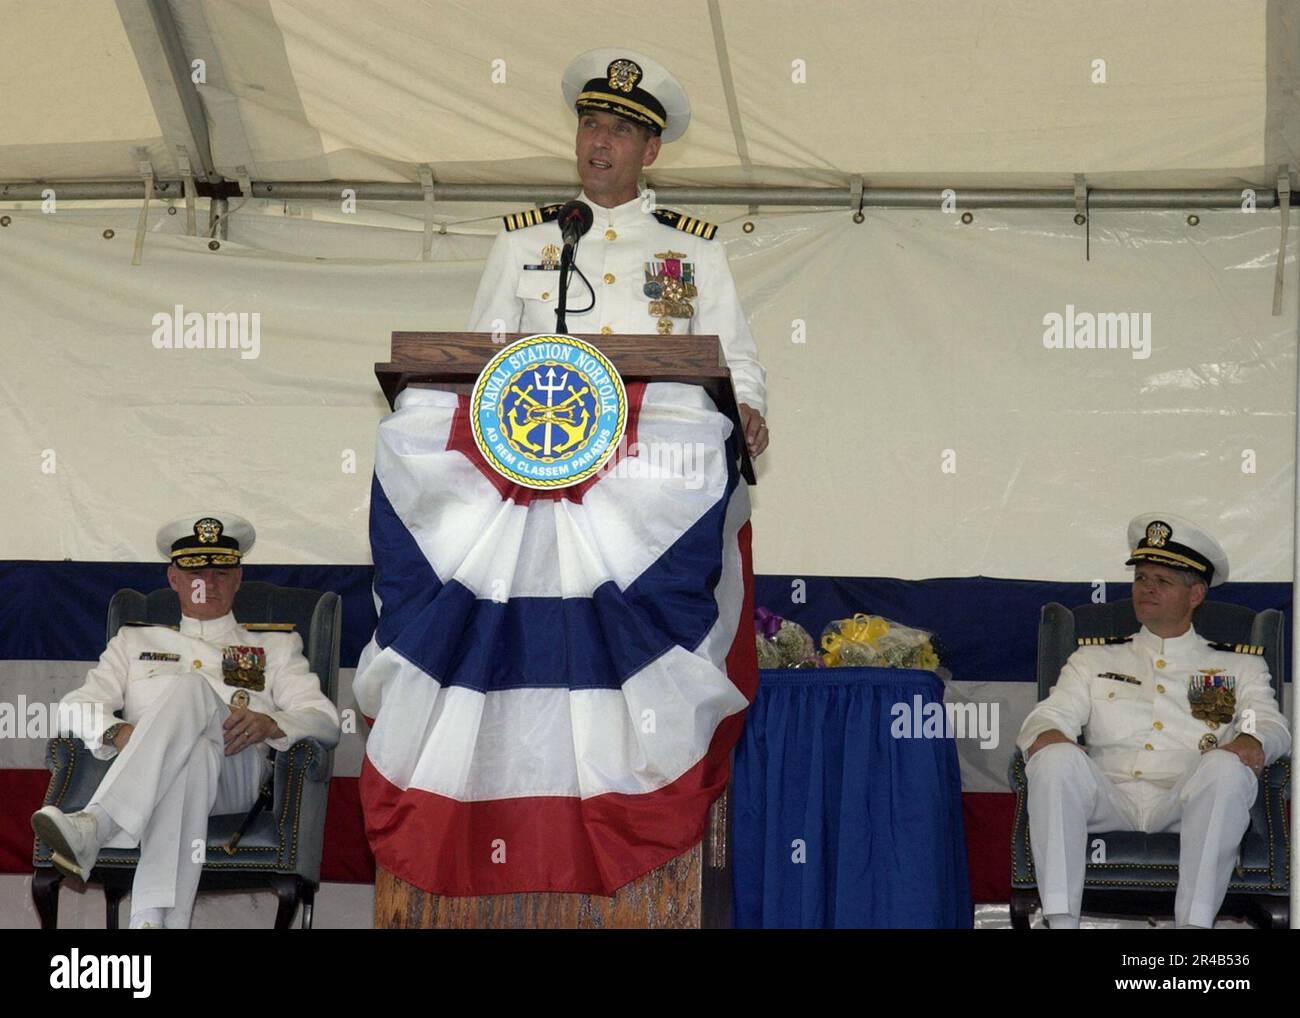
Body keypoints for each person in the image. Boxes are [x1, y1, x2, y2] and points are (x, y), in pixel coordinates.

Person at [31, 512, 340, 929]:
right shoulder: (134, 640)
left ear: (238, 577)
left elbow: (325, 720)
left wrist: (273, 724)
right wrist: (116, 731)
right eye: (196, 571)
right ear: (174, 578)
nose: (208, 582)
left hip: (237, 776)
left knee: (191, 688)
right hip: (170, 778)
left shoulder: (275, 645)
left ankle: (98, 823)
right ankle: (153, 922)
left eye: (220, 571)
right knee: (192, 756)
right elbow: (74, 705)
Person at [468, 47, 769, 458]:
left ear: (650, 151)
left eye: (621, 129)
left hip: (659, 454)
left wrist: (748, 405)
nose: (600, 141)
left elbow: (735, 357)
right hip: (546, 449)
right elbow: (483, 356)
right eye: (590, 124)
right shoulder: (521, 241)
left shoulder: (696, 248)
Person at [1017, 512, 1290, 929]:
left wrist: (1252, 741)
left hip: (1187, 797)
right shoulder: (1094, 658)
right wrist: (1052, 735)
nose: (1146, 589)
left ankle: (1194, 926)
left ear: (1195, 594)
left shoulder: (1237, 666)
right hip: (1110, 797)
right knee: (1053, 758)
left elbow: (1270, 725)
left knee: (1225, 768)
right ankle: (1060, 920)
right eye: (1141, 578)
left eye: (1162, 581)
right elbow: (1048, 717)